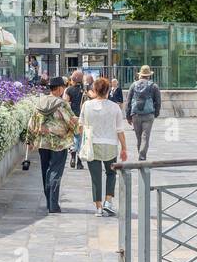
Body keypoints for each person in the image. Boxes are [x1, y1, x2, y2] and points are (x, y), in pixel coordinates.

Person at [27, 76, 79, 214]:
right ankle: (53, 204)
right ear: (60, 88)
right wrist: (77, 131)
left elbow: (32, 122)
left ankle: (49, 201)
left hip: (42, 143)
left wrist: (29, 139)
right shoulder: (61, 104)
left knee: (46, 171)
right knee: (55, 171)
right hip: (59, 144)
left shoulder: (40, 102)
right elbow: (72, 121)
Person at [77, 76, 129, 216]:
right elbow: (120, 131)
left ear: (94, 89)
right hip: (110, 144)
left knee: (95, 177)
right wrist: (124, 148)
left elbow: (80, 126)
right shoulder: (115, 107)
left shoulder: (86, 105)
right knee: (111, 173)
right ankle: (108, 202)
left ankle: (98, 207)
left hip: (92, 144)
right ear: (107, 91)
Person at [125, 65, 162, 161]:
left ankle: (141, 156)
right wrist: (156, 113)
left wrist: (128, 116)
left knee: (138, 137)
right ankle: (142, 156)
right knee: (145, 136)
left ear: (140, 75)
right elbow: (158, 101)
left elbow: (128, 101)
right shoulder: (154, 86)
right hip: (149, 114)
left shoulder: (133, 85)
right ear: (149, 75)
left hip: (136, 114)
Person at [65, 71, 86, 168]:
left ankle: (72, 156)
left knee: (72, 138)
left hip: (72, 118)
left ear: (72, 79)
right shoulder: (85, 90)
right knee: (80, 139)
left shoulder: (69, 90)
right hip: (82, 118)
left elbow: (65, 103)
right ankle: (79, 162)